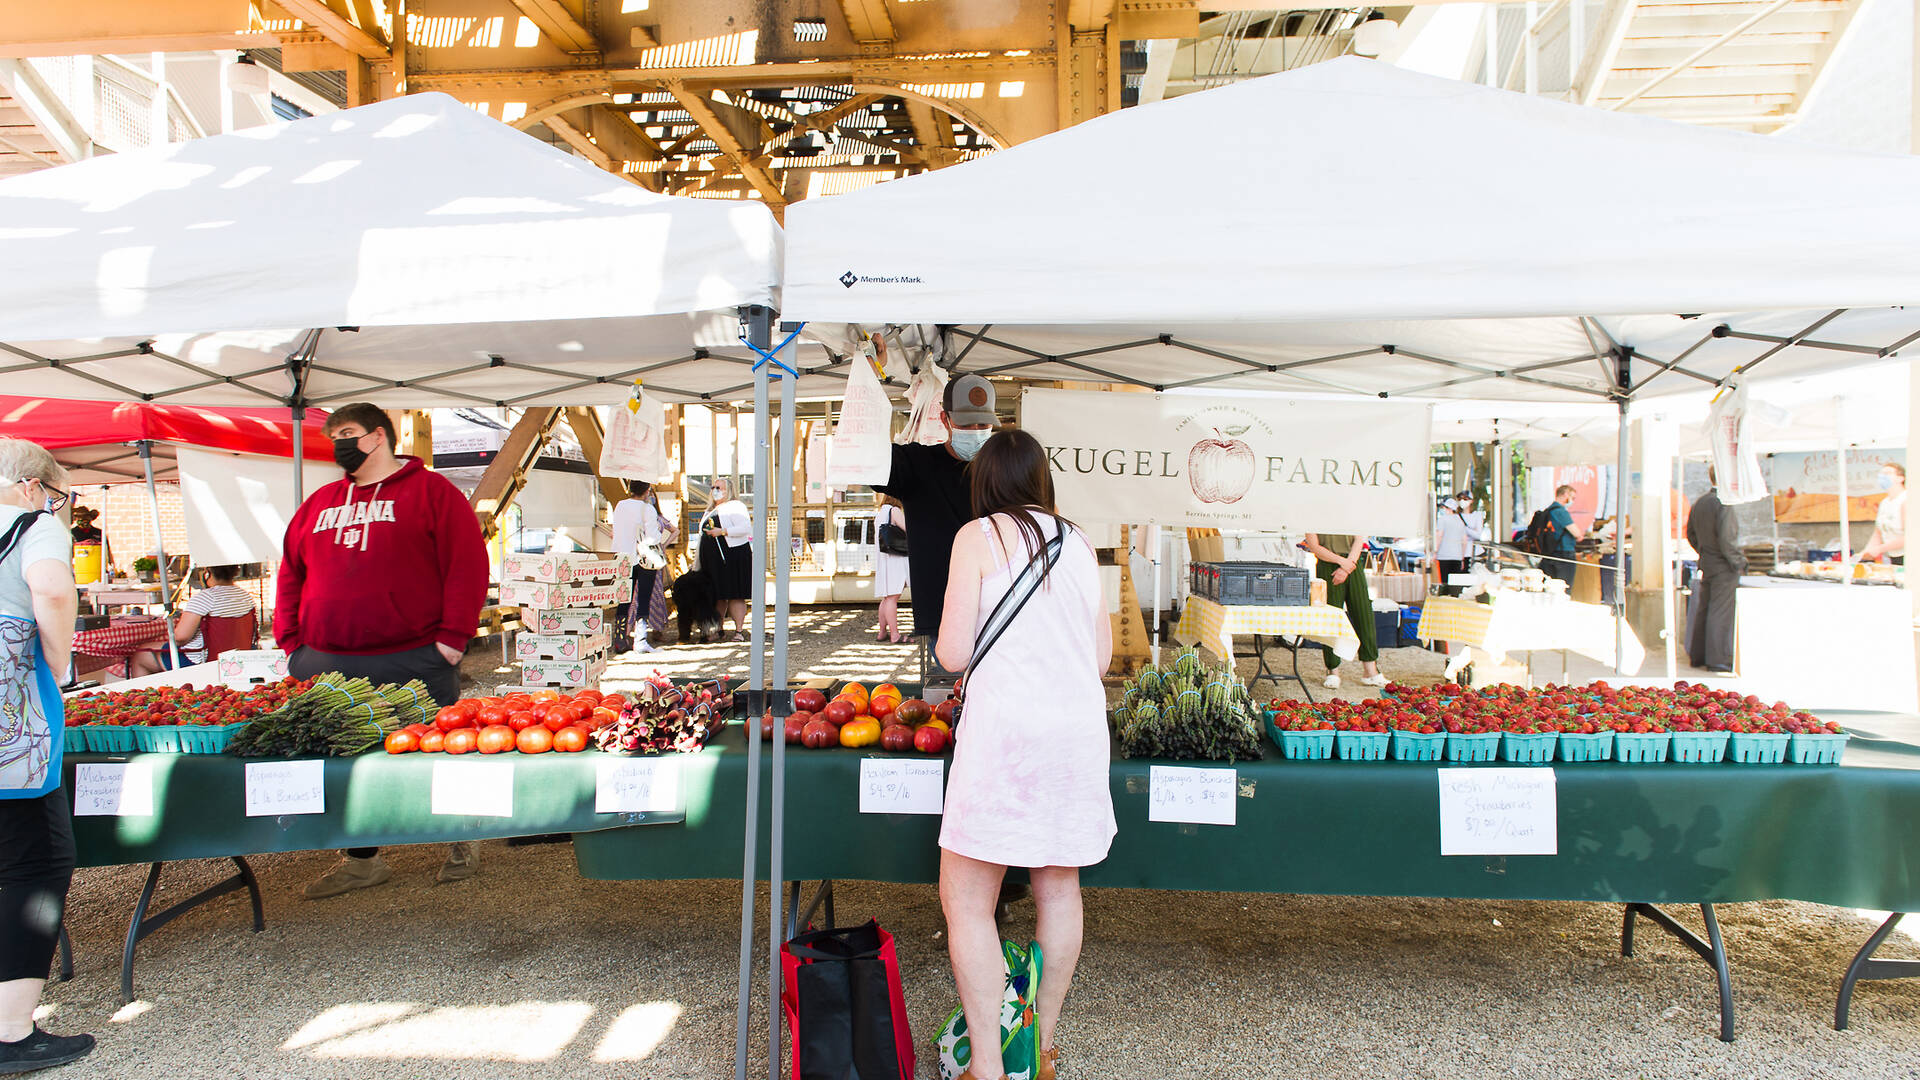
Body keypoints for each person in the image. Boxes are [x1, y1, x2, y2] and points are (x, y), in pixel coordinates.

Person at [932, 429, 1113, 1080]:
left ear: (985, 482)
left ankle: (988, 1066)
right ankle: (1043, 1047)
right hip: (1075, 734)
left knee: (968, 899)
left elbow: (953, 654)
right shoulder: (1080, 542)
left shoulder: (975, 539)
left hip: (1007, 736)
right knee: (1058, 888)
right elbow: (1099, 660)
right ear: (1041, 481)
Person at [275, 403, 490, 897]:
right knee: (347, 761)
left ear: (377, 437)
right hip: (327, 659)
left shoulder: (434, 493)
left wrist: (453, 638)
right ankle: (362, 858)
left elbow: (466, 565)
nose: (337, 444)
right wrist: (291, 642)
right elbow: (291, 572)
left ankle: (463, 837)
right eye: (333, 436)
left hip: (414, 654)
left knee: (440, 748)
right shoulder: (319, 503)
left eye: (346, 433)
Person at [0, 439, 95, 1071]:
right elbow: (54, 591)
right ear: (34, 486)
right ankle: (11, 1034)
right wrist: (58, 659)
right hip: (10, 729)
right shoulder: (31, 520)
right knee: (36, 861)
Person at [873, 374, 998, 653]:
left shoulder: (1003, 469)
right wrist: (873, 373)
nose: (976, 430)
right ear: (945, 420)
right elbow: (866, 453)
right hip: (944, 614)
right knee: (953, 691)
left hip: (1001, 611)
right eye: (966, 424)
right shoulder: (916, 464)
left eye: (984, 424)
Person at [128, 564, 257, 675]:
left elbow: (180, 638)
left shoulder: (205, 598)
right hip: (236, 658)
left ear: (207, 573)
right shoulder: (246, 597)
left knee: (141, 654)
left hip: (200, 661)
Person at [1303, 532, 1387, 690]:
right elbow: (1314, 546)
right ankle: (1332, 670)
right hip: (1329, 564)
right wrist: (1342, 563)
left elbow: (1359, 539)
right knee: (1330, 618)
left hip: (1353, 563)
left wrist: (1347, 566)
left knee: (1364, 615)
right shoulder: (1313, 514)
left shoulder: (1351, 510)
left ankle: (1371, 670)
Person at [1685, 467, 1745, 674]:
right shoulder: (1723, 502)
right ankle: (1718, 659)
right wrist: (1739, 562)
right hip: (1722, 563)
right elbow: (1727, 538)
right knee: (1720, 611)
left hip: (1708, 560)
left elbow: (1691, 534)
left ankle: (1698, 654)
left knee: (1705, 608)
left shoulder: (1700, 502)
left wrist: (1704, 551)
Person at [611, 481, 675, 653]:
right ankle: (640, 640)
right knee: (644, 599)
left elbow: (616, 531)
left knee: (624, 599)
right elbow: (653, 538)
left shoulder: (620, 506)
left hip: (623, 558)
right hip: (644, 558)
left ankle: (620, 638)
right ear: (647, 491)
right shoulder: (647, 509)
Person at [697, 478, 753, 641]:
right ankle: (717, 629)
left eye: (719, 487)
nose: (715, 490)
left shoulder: (736, 506)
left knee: (735, 593)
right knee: (717, 594)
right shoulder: (710, 510)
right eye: (713, 487)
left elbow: (745, 528)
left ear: (728, 490)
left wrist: (722, 531)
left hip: (732, 557)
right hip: (713, 561)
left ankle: (739, 631)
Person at [1431, 491, 1484, 597]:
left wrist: (1434, 552)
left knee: (1447, 582)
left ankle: (1447, 601)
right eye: (1460, 499)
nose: (1462, 501)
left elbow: (1439, 536)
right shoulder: (1459, 519)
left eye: (1466, 499)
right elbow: (1464, 540)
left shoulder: (1444, 519)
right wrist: (1462, 557)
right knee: (1455, 583)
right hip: (1458, 556)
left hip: (1450, 555)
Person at [874, 495, 909, 643]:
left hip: (884, 558)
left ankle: (882, 632)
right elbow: (909, 529)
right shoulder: (894, 511)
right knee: (892, 598)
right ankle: (895, 634)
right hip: (894, 559)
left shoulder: (881, 512)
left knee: (887, 598)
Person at [1862, 462, 1907, 566]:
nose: (1883, 476)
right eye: (1881, 473)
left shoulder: (1906, 500)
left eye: (1887, 473)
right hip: (1893, 556)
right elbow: (1878, 532)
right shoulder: (1884, 503)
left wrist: (1879, 549)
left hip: (1909, 556)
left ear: (1901, 478)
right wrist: (1866, 552)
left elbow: (1910, 536)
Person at [1542, 484, 1585, 589]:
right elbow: (1576, 533)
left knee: (1550, 587)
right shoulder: (1561, 512)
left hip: (1549, 554)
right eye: (1572, 498)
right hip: (1564, 554)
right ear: (1565, 494)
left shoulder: (1548, 511)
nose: (1572, 501)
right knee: (1564, 588)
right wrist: (1579, 536)